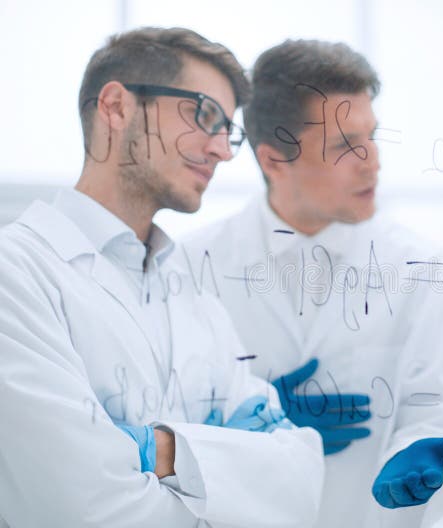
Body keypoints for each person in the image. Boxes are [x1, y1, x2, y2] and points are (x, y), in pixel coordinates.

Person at [0, 27, 324, 527]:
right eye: (204, 115)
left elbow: (299, 482)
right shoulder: (16, 272)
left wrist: (162, 450)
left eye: (229, 130)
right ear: (115, 107)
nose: (222, 149)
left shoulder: (193, 294)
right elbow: (82, 507)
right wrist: (228, 472)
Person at [181, 39, 443, 527]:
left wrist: (418, 457)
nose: (372, 161)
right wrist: (250, 423)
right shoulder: (192, 266)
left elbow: (437, 412)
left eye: (372, 136)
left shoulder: (424, 269)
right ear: (274, 160)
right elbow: (169, 424)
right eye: (343, 146)